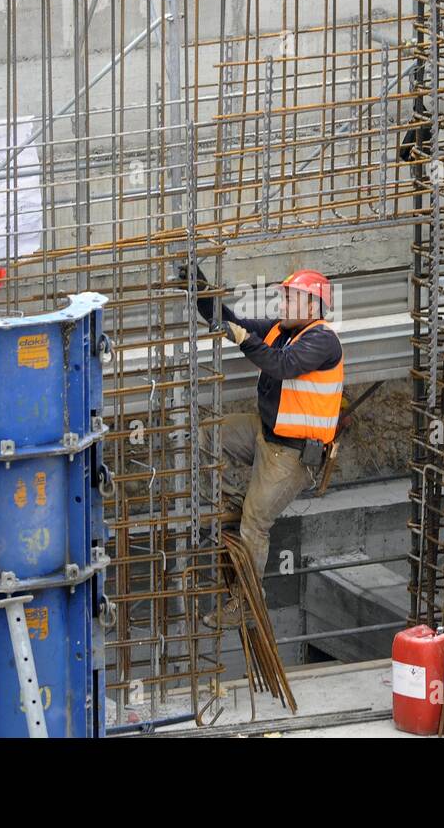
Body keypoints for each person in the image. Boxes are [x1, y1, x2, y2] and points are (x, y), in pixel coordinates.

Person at [183, 266, 345, 629]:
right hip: (267, 432)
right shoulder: (280, 330)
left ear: (312, 305)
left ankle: (246, 604)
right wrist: (201, 291)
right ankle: (229, 501)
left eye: (290, 298)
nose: (283, 303)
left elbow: (283, 365)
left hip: (293, 454)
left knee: (254, 525)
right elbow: (231, 321)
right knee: (210, 434)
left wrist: (245, 340)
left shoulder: (321, 341)